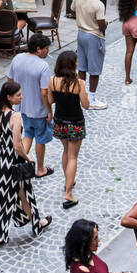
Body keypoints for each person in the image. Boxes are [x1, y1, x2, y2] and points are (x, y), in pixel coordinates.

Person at [0, 80, 53, 248]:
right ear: (8, 97)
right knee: (24, 193)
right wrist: (28, 157)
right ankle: (37, 223)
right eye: (18, 95)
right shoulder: (15, 116)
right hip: (12, 161)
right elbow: (17, 145)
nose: (22, 97)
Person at [6, 33, 54, 180]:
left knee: (28, 134)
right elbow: (44, 92)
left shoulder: (17, 58)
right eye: (46, 49)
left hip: (22, 107)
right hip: (38, 110)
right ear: (38, 49)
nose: (48, 51)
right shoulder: (43, 66)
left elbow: (9, 80)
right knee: (40, 139)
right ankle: (40, 169)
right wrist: (49, 110)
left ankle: (19, 163)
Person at [48, 50, 90, 209]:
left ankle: (68, 181)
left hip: (60, 122)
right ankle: (68, 193)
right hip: (75, 123)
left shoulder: (52, 81)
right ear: (72, 65)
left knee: (65, 151)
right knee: (73, 156)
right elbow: (86, 105)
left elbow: (50, 100)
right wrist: (83, 89)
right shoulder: (78, 83)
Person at [71, 0, 109, 108]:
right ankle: (91, 98)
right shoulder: (98, 4)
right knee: (94, 69)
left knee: (81, 67)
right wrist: (106, 24)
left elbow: (73, 10)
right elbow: (101, 25)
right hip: (93, 36)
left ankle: (81, 94)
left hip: (80, 34)